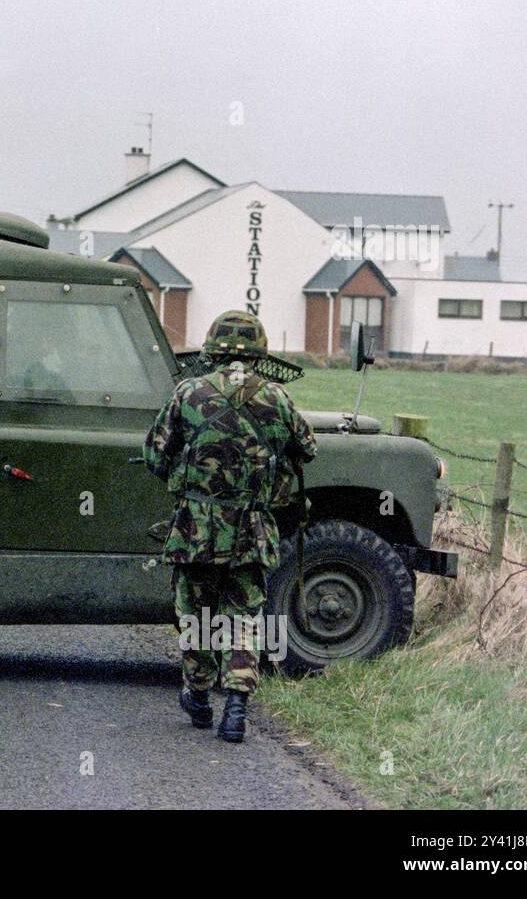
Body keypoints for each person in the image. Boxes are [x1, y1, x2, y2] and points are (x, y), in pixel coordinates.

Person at [143, 311, 316, 742]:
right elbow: (307, 448)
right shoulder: (277, 398)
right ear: (260, 350)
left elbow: (154, 454)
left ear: (212, 347)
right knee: (244, 618)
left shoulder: (188, 393)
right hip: (252, 528)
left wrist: (185, 484)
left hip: (196, 527)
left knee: (196, 613)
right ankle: (236, 707)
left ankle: (198, 696)